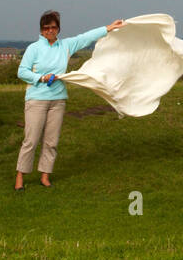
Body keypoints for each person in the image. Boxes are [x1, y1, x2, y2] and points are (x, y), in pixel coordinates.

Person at [14, 11, 124, 190]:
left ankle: (45, 176)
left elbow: (86, 37)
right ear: (41, 30)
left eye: (53, 27)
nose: (50, 30)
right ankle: (20, 177)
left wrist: (109, 28)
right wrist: (41, 78)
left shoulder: (65, 45)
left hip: (58, 100)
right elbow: (22, 72)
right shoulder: (33, 48)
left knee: (51, 141)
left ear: (58, 29)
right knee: (31, 140)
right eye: (46, 27)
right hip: (36, 100)